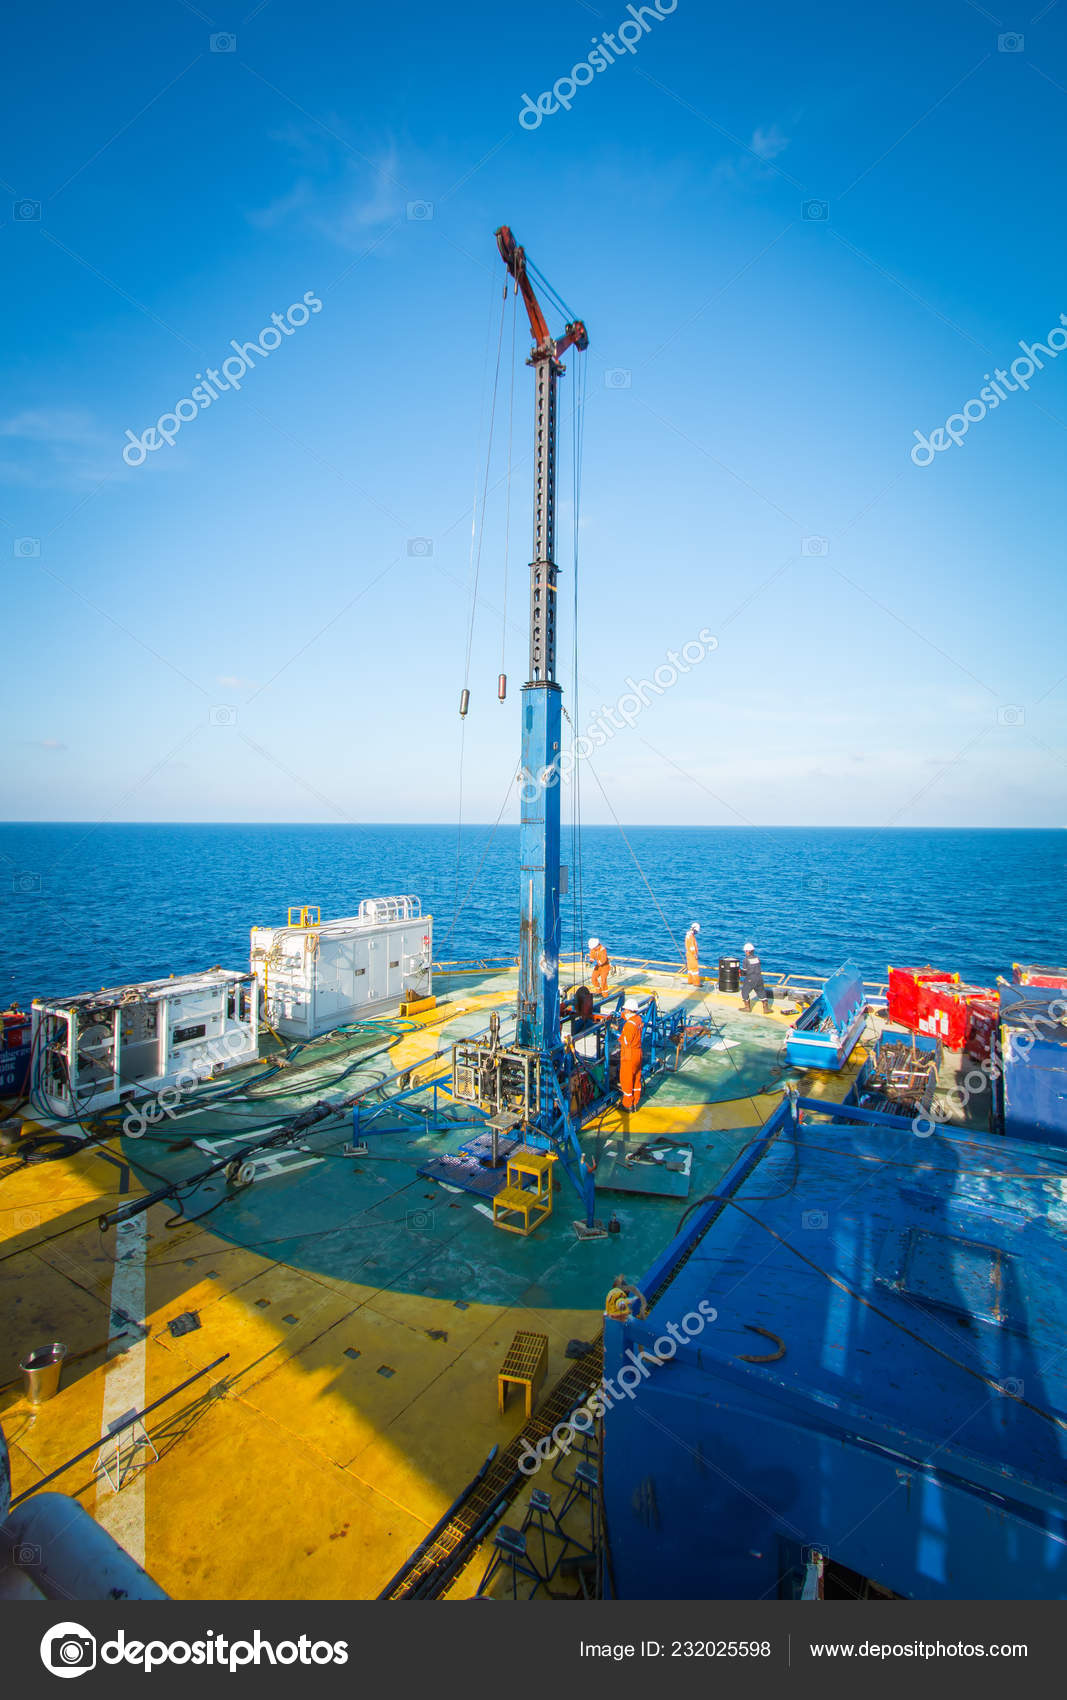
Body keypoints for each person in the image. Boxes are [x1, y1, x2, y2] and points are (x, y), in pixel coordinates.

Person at [618, 998, 644, 1112]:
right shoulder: (638, 1019)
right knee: (636, 1077)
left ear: (628, 1010)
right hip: (638, 1052)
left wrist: (617, 1033)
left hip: (629, 1053)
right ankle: (635, 1102)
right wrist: (620, 1015)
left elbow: (625, 1041)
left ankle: (627, 1104)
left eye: (625, 1010)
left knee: (626, 1078)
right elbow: (631, 1019)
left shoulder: (629, 1025)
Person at [740, 942, 772, 1014]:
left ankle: (747, 1007)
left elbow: (745, 972)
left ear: (748, 951)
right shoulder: (757, 958)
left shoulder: (746, 960)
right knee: (761, 993)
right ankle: (766, 1009)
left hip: (750, 979)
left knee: (744, 992)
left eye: (745, 951)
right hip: (759, 978)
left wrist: (740, 972)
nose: (745, 952)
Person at [684, 921, 701, 987]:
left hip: (688, 954)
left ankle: (690, 981)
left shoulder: (688, 935)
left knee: (690, 968)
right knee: (694, 969)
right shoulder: (691, 937)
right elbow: (692, 947)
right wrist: (695, 954)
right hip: (692, 955)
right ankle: (696, 983)